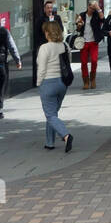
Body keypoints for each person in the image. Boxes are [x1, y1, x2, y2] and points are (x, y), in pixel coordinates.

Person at [35, 21, 74, 152]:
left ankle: (66, 135)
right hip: (62, 83)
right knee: (53, 114)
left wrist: (38, 83)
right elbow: (69, 62)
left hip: (48, 83)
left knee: (50, 115)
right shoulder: (65, 45)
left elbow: (41, 69)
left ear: (48, 32)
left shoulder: (44, 48)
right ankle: (49, 142)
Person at [32, 0, 63, 88]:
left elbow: (61, 30)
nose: (50, 10)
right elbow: (37, 32)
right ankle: (42, 80)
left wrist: (53, 21)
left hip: (55, 45)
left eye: (51, 8)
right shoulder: (40, 19)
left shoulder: (57, 18)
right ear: (44, 9)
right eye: (48, 8)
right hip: (44, 45)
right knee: (42, 63)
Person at [74, 3, 104, 89]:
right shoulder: (82, 15)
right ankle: (86, 81)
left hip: (94, 41)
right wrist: (79, 25)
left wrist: (98, 8)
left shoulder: (96, 15)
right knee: (83, 62)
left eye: (93, 9)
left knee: (94, 61)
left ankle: (93, 78)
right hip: (84, 42)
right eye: (91, 8)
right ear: (88, 7)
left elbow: (103, 20)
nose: (92, 10)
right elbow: (78, 28)